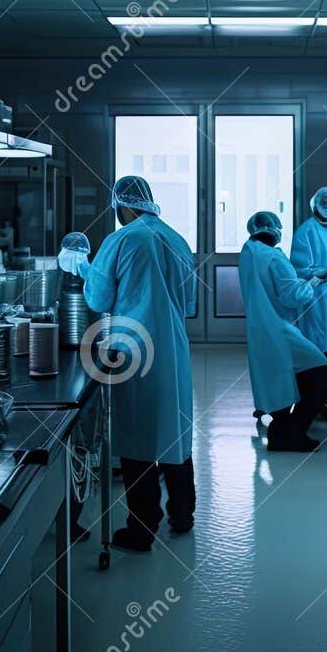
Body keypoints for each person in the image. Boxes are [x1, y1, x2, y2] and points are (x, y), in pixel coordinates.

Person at [72, 175, 197, 553]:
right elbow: (189, 304)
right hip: (174, 347)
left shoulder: (123, 238)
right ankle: (182, 515)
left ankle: (142, 529)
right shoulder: (177, 240)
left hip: (135, 347)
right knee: (174, 431)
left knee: (138, 435)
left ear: (121, 205)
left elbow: (98, 296)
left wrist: (82, 267)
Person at [240, 211, 327, 452]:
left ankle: (281, 432)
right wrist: (316, 279)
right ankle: (293, 432)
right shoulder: (274, 258)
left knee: (280, 380)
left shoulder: (248, 252)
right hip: (279, 328)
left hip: (260, 329)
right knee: (325, 378)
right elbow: (293, 297)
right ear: (274, 230)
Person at [289, 186, 327, 361]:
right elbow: (300, 268)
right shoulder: (306, 230)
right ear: (315, 205)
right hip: (316, 293)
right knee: (316, 337)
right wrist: (324, 271)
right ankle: (315, 379)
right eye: (326, 203)